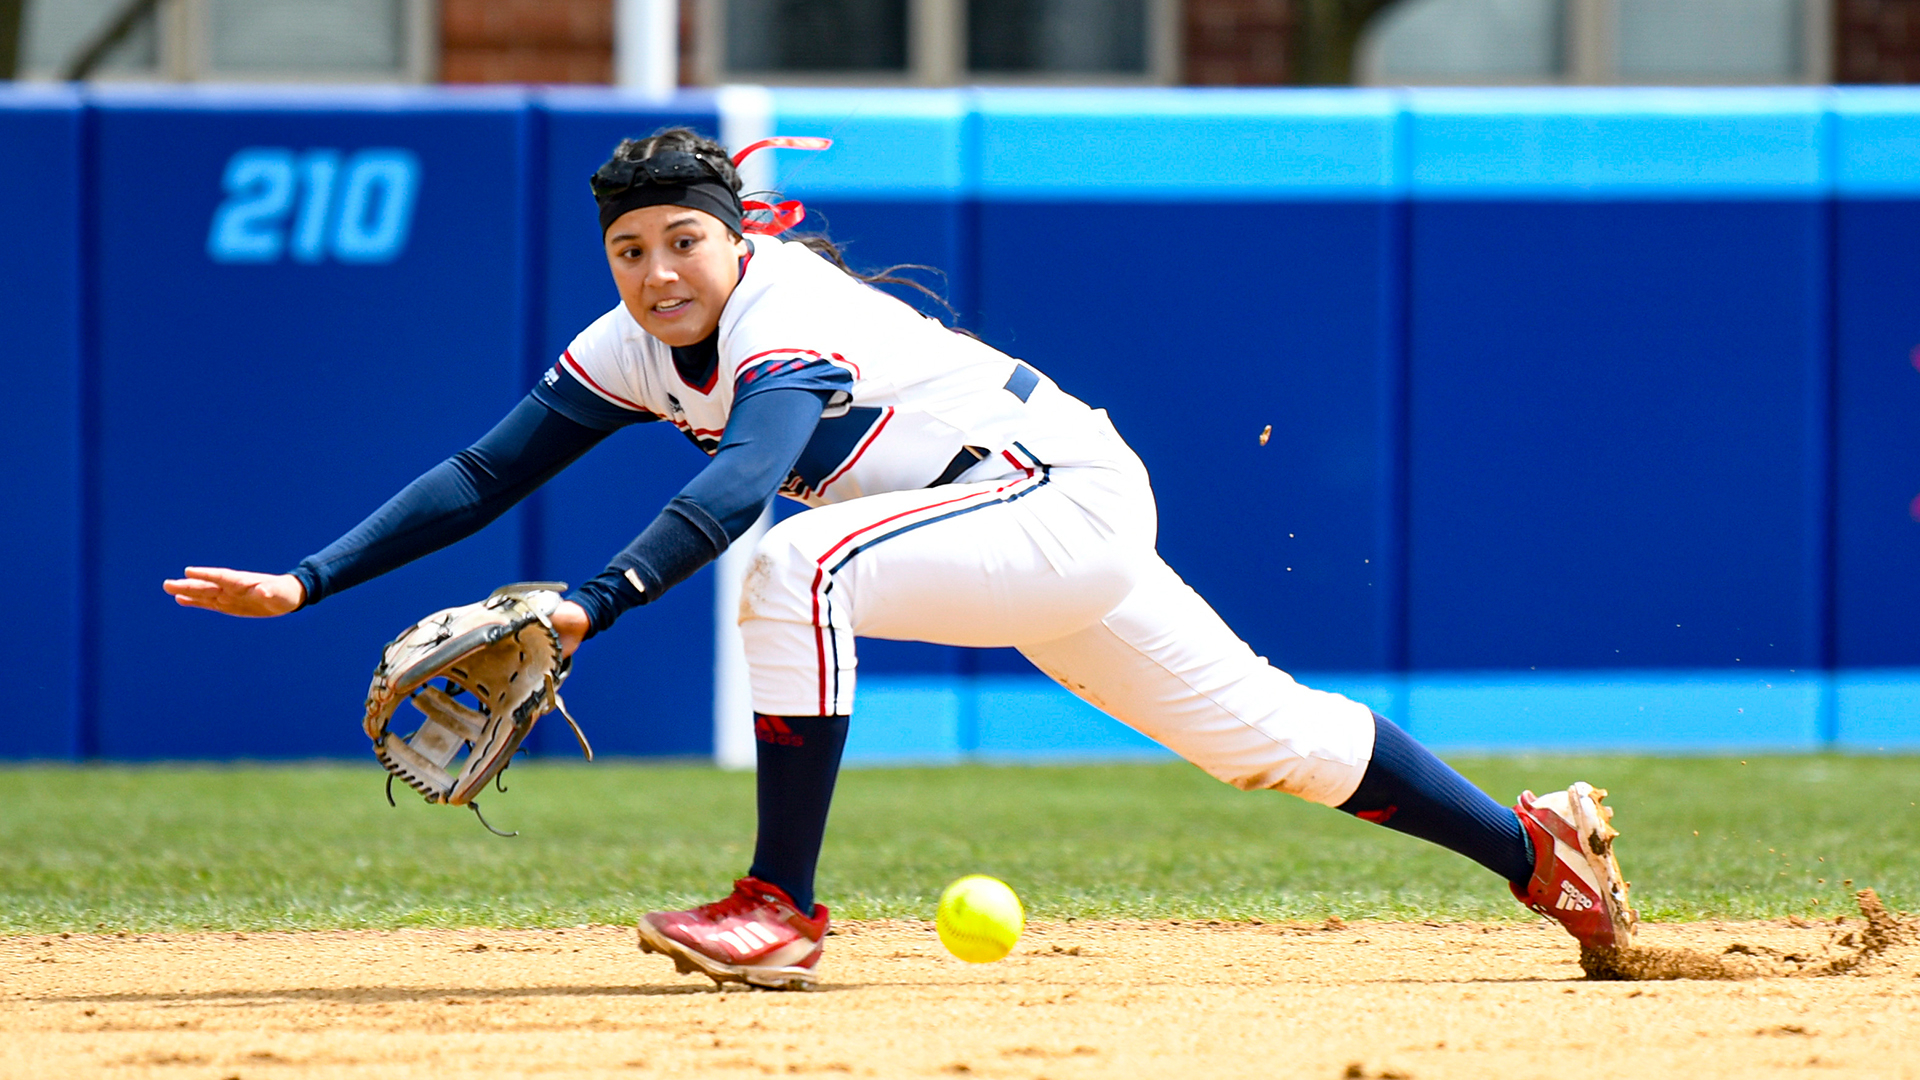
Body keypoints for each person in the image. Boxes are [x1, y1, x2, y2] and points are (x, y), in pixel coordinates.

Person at [163, 128, 1635, 991]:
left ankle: (779, 911)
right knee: (1270, 738)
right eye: (631, 251)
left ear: (735, 242)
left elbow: (751, 475)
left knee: (792, 566)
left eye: (684, 242)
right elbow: (489, 472)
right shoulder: (632, 347)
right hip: (1006, 519)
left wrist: (598, 600)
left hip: (1052, 496)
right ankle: (1537, 854)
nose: (659, 274)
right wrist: (308, 579)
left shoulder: (785, 315)